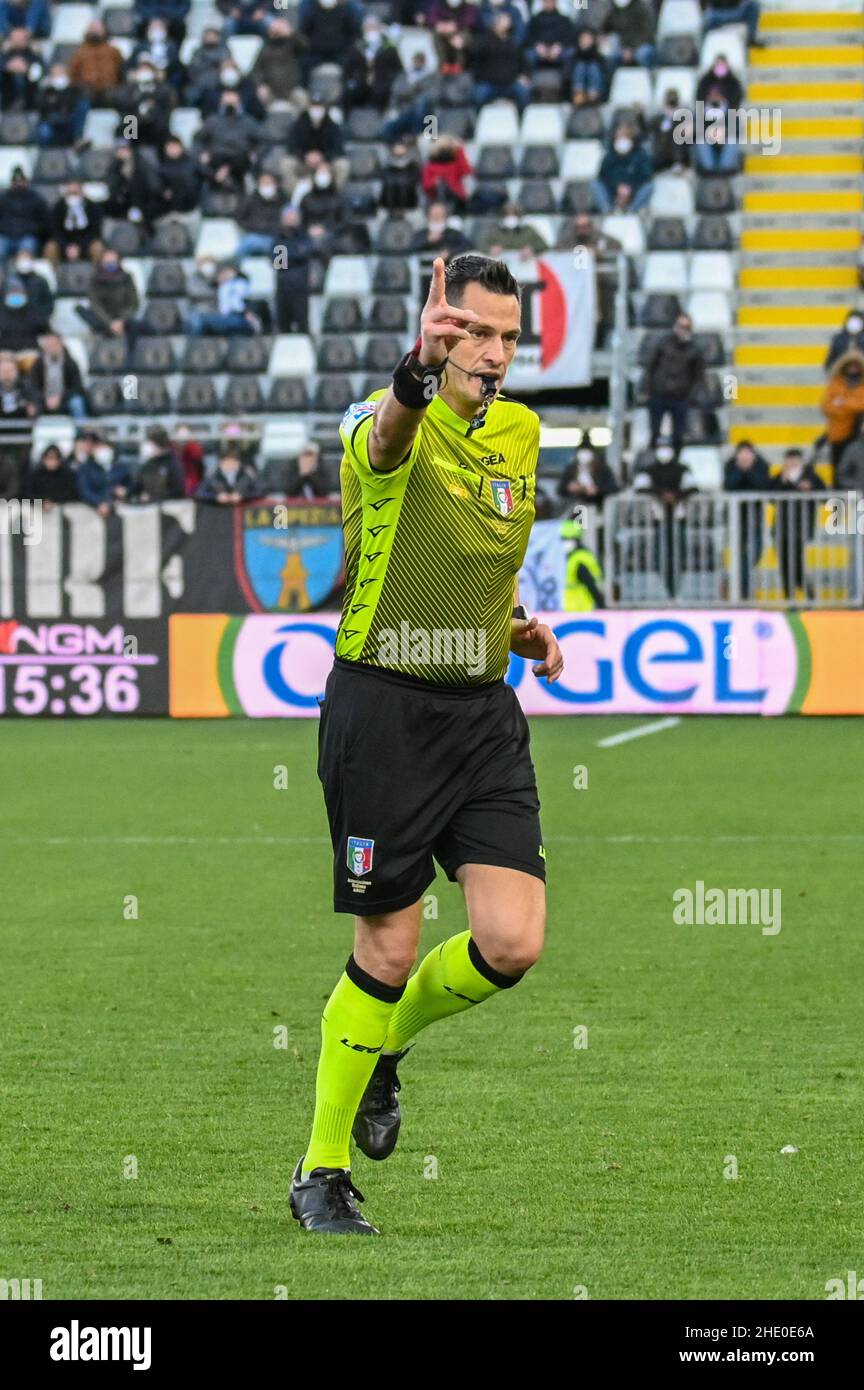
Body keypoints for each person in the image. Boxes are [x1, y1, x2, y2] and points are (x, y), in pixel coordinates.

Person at [290, 253, 563, 1236]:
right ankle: (321, 1172)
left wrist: (520, 628)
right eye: (474, 332)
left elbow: (475, 560)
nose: (492, 354)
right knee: (390, 943)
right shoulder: (385, 421)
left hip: (483, 711)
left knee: (513, 940)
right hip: (385, 710)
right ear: (440, 334)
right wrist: (415, 371)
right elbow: (388, 436)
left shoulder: (525, 433)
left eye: (506, 337)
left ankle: (386, 1053)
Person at [645, 313, 705, 447]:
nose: (683, 329)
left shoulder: (695, 350)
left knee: (678, 436)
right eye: (680, 326)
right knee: (654, 433)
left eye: (686, 327)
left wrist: (690, 397)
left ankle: (675, 464)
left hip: (680, 397)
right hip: (658, 394)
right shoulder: (663, 343)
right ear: (675, 326)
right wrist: (650, 389)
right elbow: (651, 367)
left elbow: (698, 376)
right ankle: (654, 462)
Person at [772, 449, 824, 600]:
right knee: (784, 563)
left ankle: (807, 591)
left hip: (802, 526)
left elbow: (825, 494)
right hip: (782, 526)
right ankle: (790, 597)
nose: (792, 464)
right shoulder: (780, 477)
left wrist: (811, 488)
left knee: (796, 562)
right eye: (789, 460)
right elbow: (769, 495)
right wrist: (782, 481)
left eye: (795, 460)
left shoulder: (811, 477)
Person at [723, 439, 771, 598]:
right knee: (738, 554)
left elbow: (763, 486)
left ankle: (740, 584)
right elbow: (729, 485)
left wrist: (749, 470)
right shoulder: (730, 465)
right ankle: (743, 591)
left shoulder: (762, 465)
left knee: (755, 552)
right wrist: (739, 469)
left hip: (755, 517)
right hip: (736, 518)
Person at [468, 11, 532, 114]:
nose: (507, 22)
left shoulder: (513, 43)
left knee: (524, 92)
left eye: (507, 20)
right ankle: (476, 123)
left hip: (511, 83)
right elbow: (476, 60)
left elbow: (523, 62)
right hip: (489, 83)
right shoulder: (484, 41)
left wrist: (524, 75)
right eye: (503, 20)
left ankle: (521, 120)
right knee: (478, 95)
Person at [75, 249, 141, 342]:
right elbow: (95, 304)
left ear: (118, 262)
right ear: (101, 263)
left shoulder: (127, 278)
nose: (110, 264)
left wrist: (121, 320)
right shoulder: (94, 280)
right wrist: (110, 322)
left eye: (113, 262)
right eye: (107, 262)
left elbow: (133, 303)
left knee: (139, 327)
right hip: (102, 319)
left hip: (123, 319)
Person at [185, 263, 259, 336]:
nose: (223, 277)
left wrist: (246, 313)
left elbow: (237, 305)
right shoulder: (217, 287)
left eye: (226, 274)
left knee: (197, 319)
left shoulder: (235, 284)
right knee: (195, 319)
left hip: (235, 317)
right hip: (222, 317)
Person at [28, 332, 89, 419]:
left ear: (61, 344)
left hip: (65, 398)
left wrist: (60, 398)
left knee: (77, 403)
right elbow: (33, 386)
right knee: (32, 407)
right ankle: (32, 431)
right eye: (49, 345)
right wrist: (45, 398)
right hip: (43, 399)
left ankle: (81, 430)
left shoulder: (70, 363)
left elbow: (77, 387)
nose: (51, 347)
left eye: (54, 344)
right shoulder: (38, 364)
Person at [592, 125, 653, 212]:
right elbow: (603, 176)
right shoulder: (609, 155)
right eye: (619, 138)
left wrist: (631, 188)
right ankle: (608, 210)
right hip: (613, 192)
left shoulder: (641, 155)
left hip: (633, 192)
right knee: (596, 185)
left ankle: (633, 210)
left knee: (648, 187)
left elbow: (646, 176)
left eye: (625, 138)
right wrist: (617, 186)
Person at [821, 350, 864, 467]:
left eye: (856, 366)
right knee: (838, 470)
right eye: (850, 366)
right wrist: (853, 407)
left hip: (860, 437)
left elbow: (862, 404)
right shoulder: (835, 383)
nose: (853, 369)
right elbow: (826, 407)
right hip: (838, 436)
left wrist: (842, 403)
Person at [0, 165, 50, 263]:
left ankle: (24, 277)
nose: (19, 184)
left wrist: (32, 230)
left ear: (26, 182)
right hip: (5, 236)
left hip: (27, 236)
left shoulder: (36, 199)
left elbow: (45, 221)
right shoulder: (3, 199)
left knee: (26, 250)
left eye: (21, 181)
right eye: (16, 182)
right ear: (11, 183)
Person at [76, 432, 134, 515]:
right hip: (96, 509)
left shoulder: (120, 466)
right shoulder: (86, 468)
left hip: (119, 507)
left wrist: (126, 490)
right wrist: (99, 502)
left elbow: (130, 483)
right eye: (100, 447)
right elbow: (85, 489)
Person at [68, 19, 125, 99]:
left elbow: (121, 71)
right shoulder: (79, 53)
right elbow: (73, 74)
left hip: (110, 90)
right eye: (93, 28)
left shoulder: (113, 51)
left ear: (104, 30)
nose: (95, 31)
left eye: (98, 28)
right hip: (87, 91)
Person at [557, 434, 618, 506]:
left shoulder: (602, 469)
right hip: (574, 507)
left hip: (597, 507)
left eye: (587, 451)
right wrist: (569, 488)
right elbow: (560, 490)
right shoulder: (570, 469)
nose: (584, 455)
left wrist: (598, 490)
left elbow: (613, 488)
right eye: (582, 451)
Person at [560, 514, 605, 610]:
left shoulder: (579, 559)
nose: (565, 543)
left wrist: (601, 605)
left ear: (576, 540)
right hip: (568, 610)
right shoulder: (570, 557)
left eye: (567, 539)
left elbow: (590, 584)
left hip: (580, 609)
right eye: (563, 539)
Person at [477, 203, 548, 259]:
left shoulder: (528, 230)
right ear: (502, 216)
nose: (510, 217)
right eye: (507, 214)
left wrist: (532, 249)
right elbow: (480, 245)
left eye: (514, 214)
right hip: (499, 268)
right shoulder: (495, 231)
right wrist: (490, 249)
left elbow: (544, 246)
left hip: (524, 268)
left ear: (519, 216)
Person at [602, 0, 656, 71]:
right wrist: (602, 36)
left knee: (641, 55)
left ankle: (648, 77)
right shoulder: (615, 9)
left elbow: (647, 33)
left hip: (642, 44)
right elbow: (606, 27)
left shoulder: (642, 7)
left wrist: (632, 49)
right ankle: (611, 79)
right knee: (609, 55)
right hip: (623, 46)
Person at [195, 447, 261, 502]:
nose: (231, 466)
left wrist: (243, 496)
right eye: (228, 462)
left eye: (234, 462)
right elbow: (199, 493)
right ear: (221, 463)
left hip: (242, 513)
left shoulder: (246, 476)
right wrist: (216, 497)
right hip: (218, 513)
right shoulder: (212, 477)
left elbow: (258, 491)